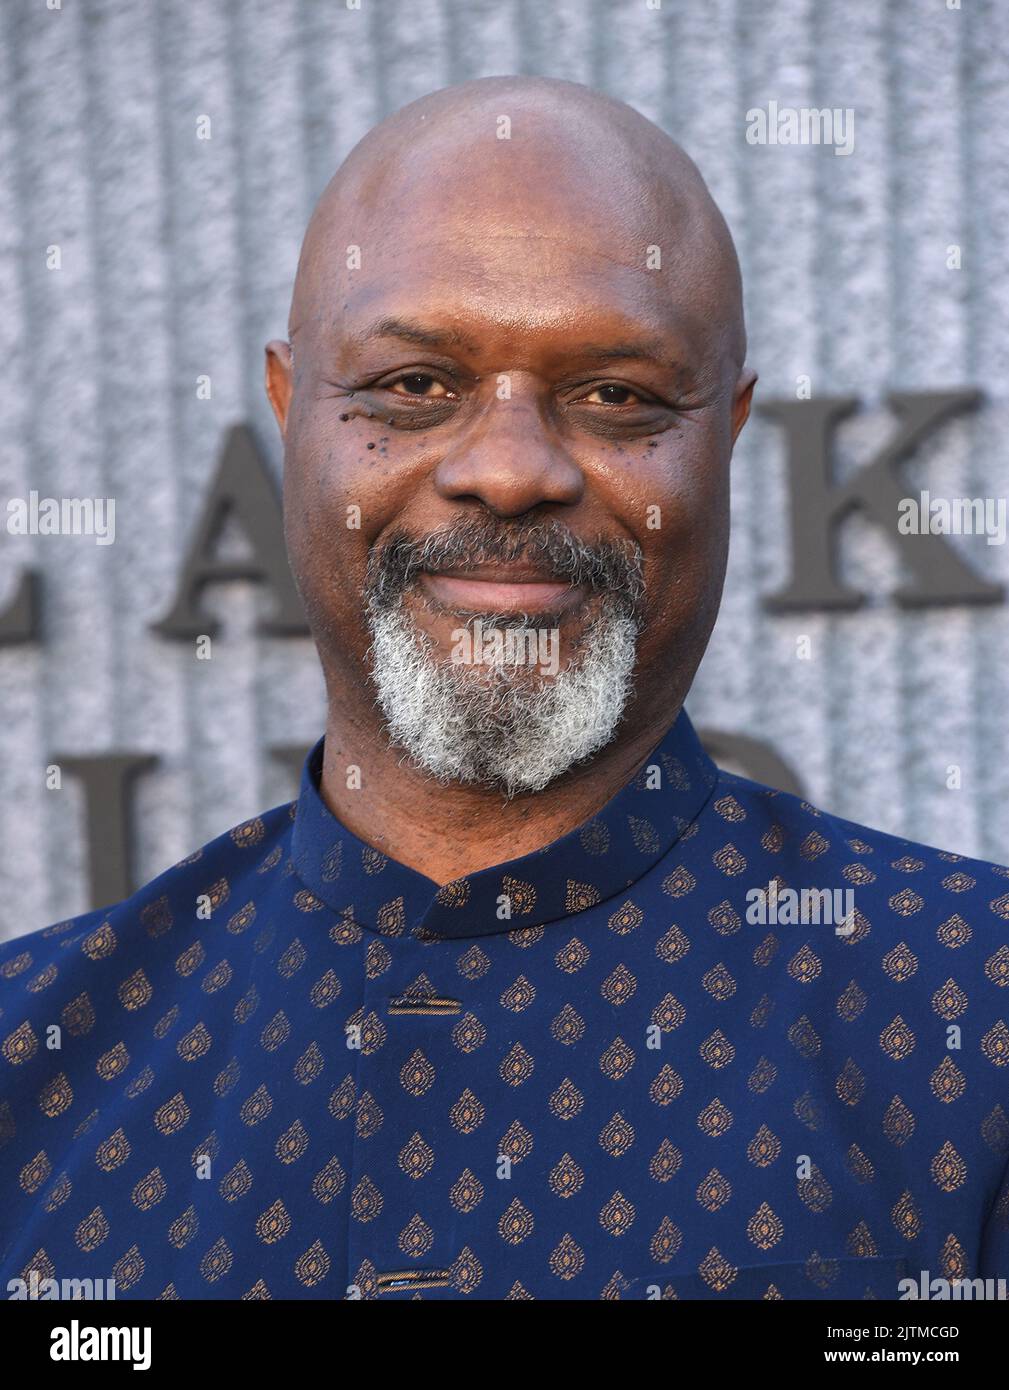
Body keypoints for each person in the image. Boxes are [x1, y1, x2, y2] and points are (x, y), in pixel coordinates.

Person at [2, 76, 1006, 1302]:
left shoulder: (977, 1010)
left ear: (727, 433)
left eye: (618, 395)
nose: (510, 470)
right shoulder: (30, 1058)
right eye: (416, 383)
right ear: (288, 411)